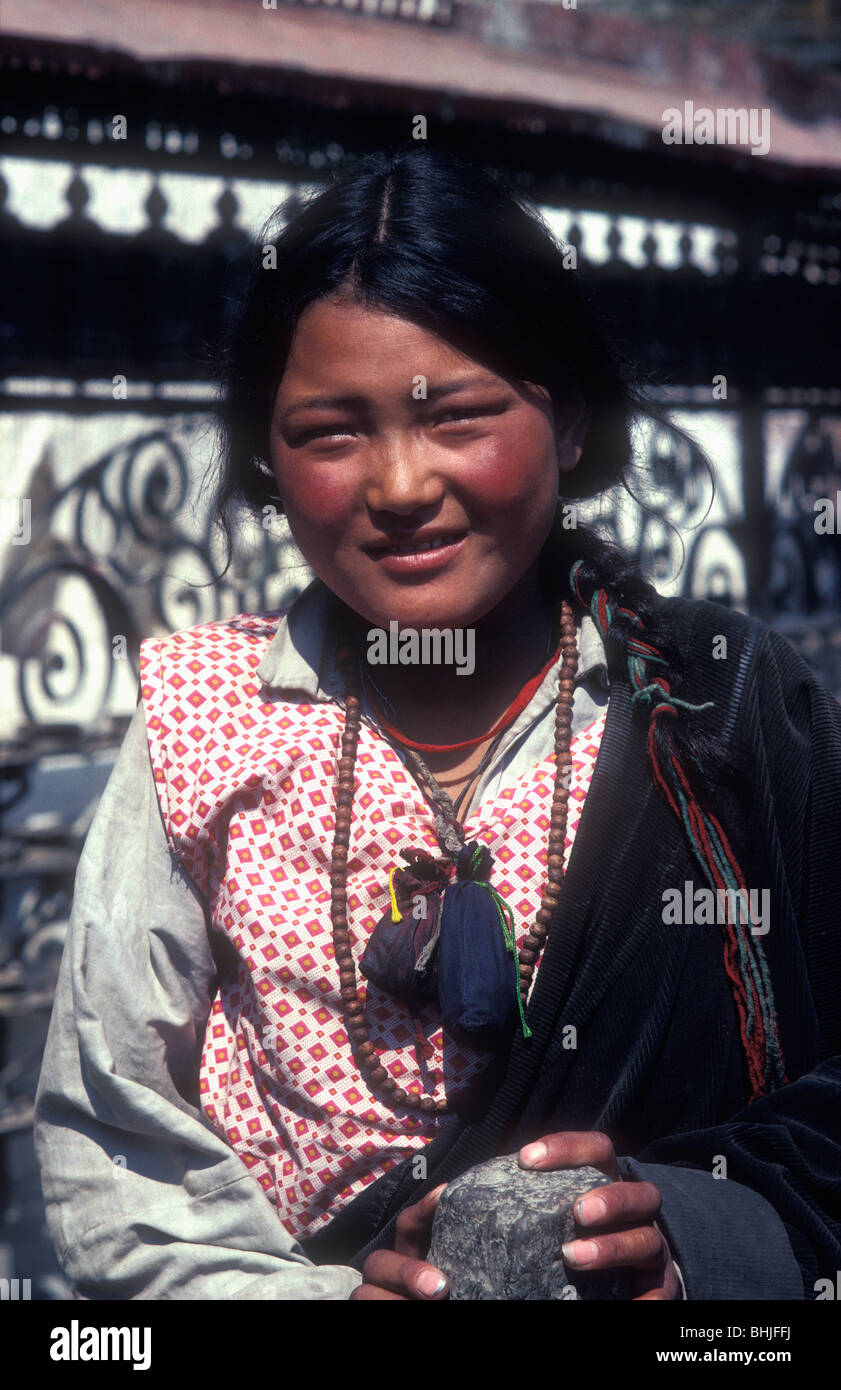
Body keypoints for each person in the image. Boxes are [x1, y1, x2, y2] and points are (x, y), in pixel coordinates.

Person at [34, 146, 841, 1301]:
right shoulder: (198, 716)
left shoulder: (719, 701)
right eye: (330, 431)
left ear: (568, 422)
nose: (402, 487)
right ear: (268, 456)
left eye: (457, 415)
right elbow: (117, 1151)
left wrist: (699, 1241)